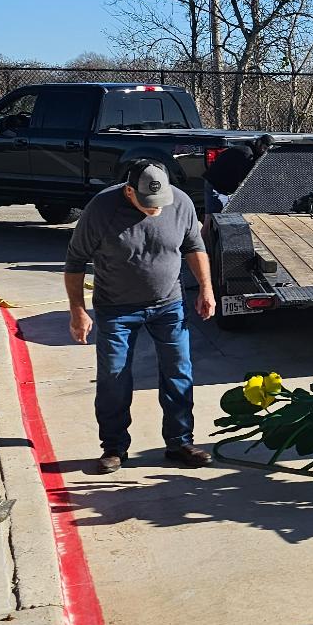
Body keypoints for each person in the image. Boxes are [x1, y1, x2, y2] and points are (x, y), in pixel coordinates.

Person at [65, 161, 216, 473]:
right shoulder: (101, 209)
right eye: (148, 204)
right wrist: (77, 310)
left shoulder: (181, 202)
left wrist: (206, 288)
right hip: (116, 308)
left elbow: (194, 245)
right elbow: (76, 261)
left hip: (169, 304)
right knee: (114, 378)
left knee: (179, 372)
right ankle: (114, 447)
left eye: (159, 203)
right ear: (129, 190)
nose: (155, 210)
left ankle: (179, 442)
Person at [204, 133, 274, 213]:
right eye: (264, 148)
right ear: (259, 144)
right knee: (217, 217)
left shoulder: (252, 153)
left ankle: (208, 224)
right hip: (216, 185)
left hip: (223, 186)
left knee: (212, 217)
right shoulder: (247, 154)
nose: (264, 152)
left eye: (267, 150)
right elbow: (244, 184)